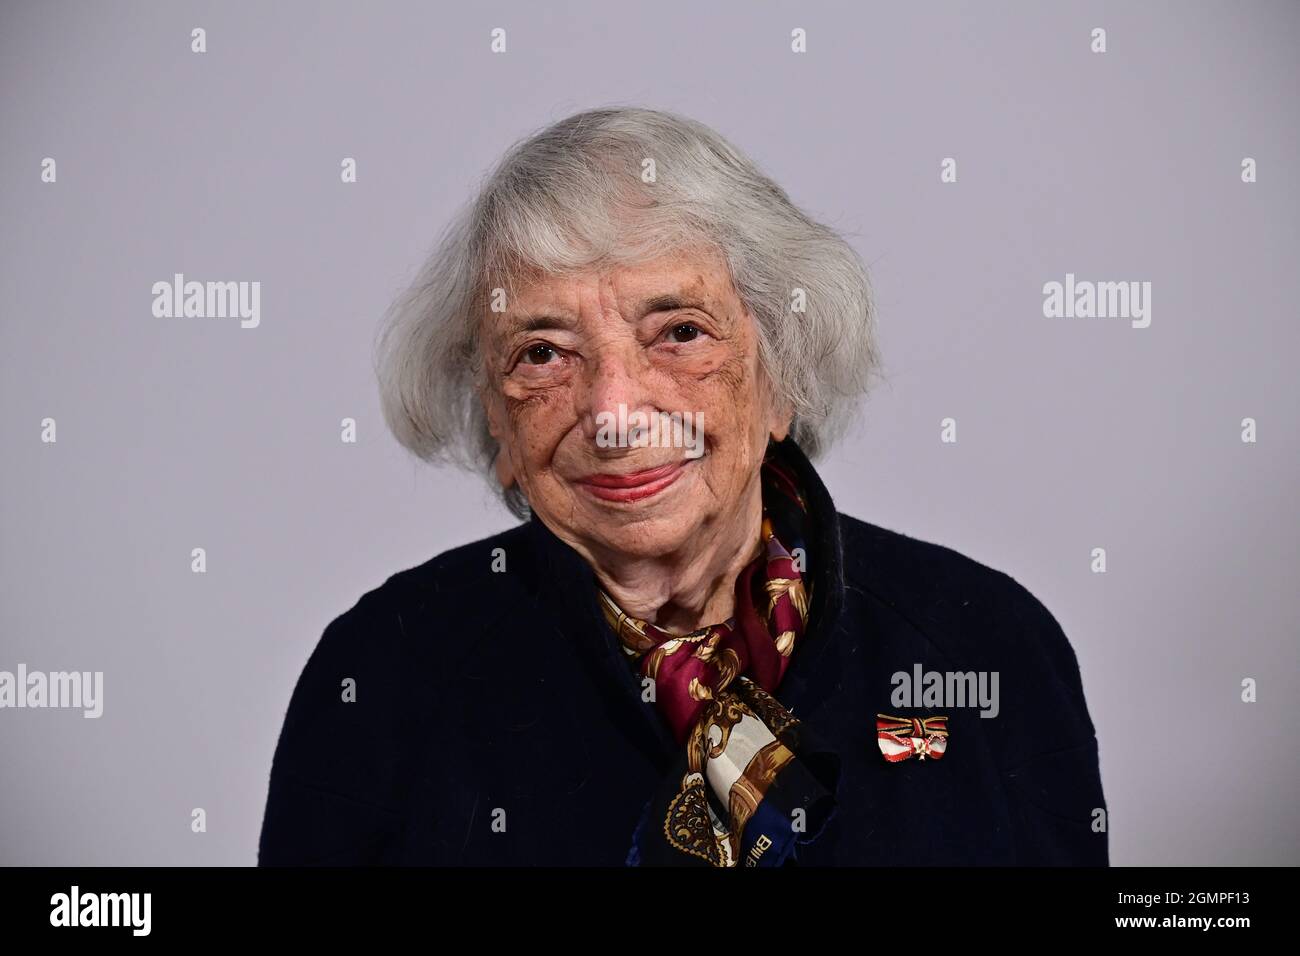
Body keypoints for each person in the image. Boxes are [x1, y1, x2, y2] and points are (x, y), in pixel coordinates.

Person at [257, 106, 1107, 866]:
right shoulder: (382, 676)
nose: (615, 411)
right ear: (496, 423)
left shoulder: (985, 646)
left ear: (779, 375)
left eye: (679, 332)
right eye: (543, 354)